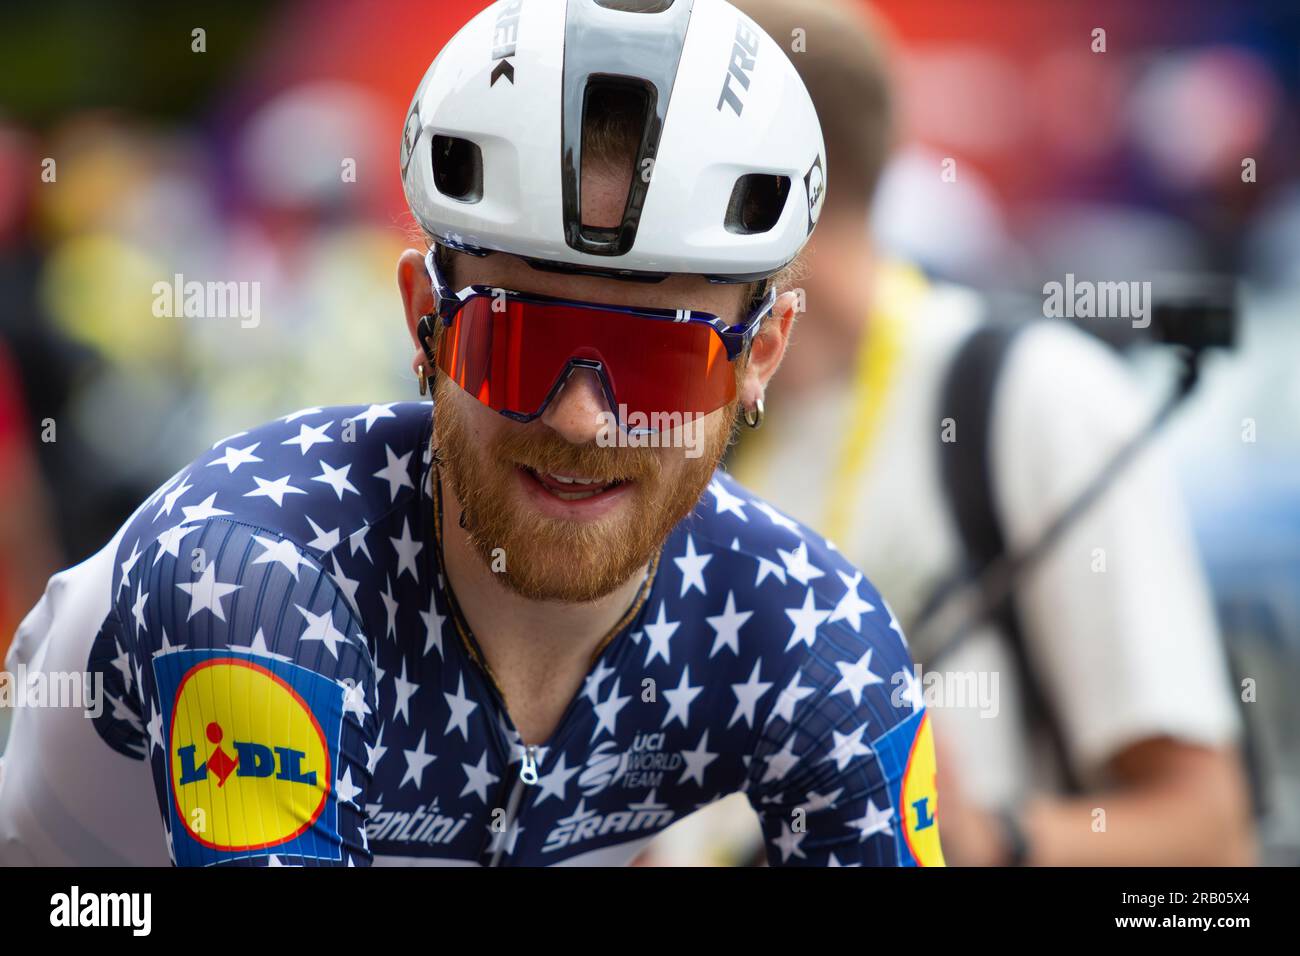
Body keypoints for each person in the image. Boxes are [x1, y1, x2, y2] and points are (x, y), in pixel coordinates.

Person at [0, 0, 943, 867]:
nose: (580, 420)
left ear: (763, 355)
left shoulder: (815, 632)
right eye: (518, 341)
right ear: (425, 321)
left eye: (661, 359)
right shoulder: (257, 579)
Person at [642, 0, 1254, 867]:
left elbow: (1214, 839)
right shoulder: (698, 422)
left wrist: (984, 842)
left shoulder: (1034, 393)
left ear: (755, 185)